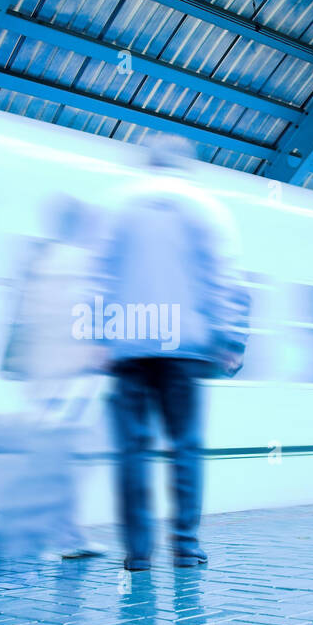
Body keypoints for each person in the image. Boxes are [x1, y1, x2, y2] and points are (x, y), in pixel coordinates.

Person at [100, 135, 242, 571]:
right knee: (185, 447)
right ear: (186, 163)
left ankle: (138, 552)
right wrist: (229, 338)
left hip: (129, 346)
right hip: (184, 346)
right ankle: (185, 546)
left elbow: (97, 273)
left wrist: (95, 336)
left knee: (132, 450)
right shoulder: (204, 207)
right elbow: (221, 276)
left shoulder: (119, 203)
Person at [2, 193, 107, 559]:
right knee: (64, 458)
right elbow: (78, 318)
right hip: (68, 376)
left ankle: (65, 535)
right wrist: (95, 353)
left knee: (57, 457)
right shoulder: (77, 261)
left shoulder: (43, 259)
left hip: (41, 374)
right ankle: (47, 536)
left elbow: (30, 318)